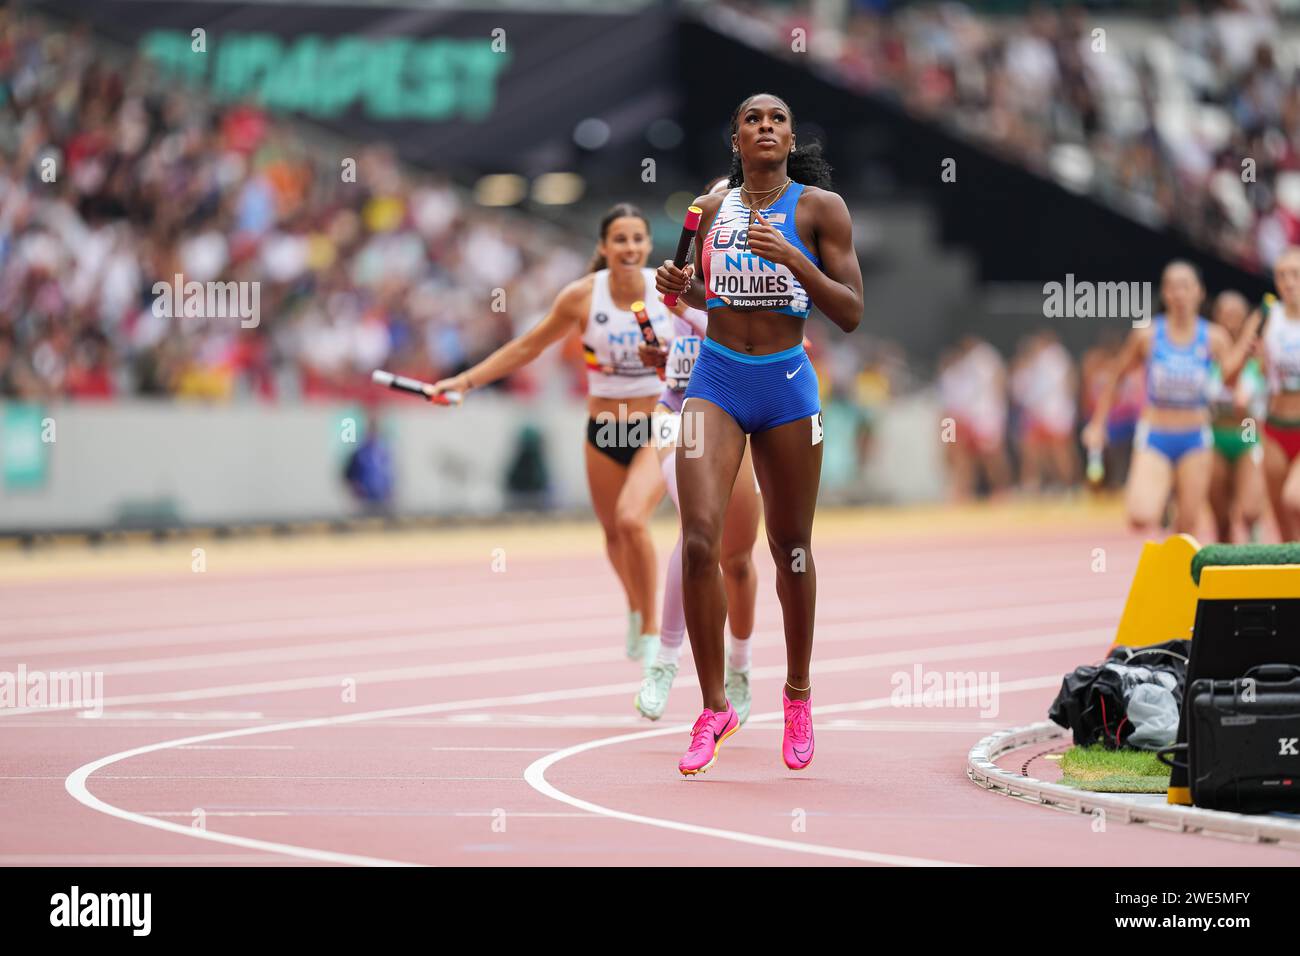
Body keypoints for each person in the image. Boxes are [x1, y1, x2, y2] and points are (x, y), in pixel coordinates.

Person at [655, 92, 864, 775]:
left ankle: (798, 694)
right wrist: (678, 284)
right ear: (736, 139)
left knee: (792, 547)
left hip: (786, 388)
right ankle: (715, 705)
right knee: (697, 538)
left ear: (790, 136)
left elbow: (852, 312)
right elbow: (705, 297)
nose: (766, 126)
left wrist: (797, 260)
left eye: (778, 118)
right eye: (753, 119)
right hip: (715, 381)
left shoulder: (818, 210)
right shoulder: (711, 210)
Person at [433, 204, 673, 662]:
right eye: (620, 239)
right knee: (612, 534)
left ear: (647, 245)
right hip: (605, 429)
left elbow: (706, 339)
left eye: (638, 238)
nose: (630, 247)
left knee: (630, 520)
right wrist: (464, 381)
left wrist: (668, 359)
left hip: (655, 425)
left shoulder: (668, 293)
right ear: (604, 247)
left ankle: (651, 628)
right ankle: (633, 606)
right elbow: (528, 346)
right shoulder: (582, 297)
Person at [633, 176, 762, 724]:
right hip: (677, 413)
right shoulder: (668, 279)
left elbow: (750, 336)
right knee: (694, 531)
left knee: (736, 557)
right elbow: (668, 352)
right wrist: (657, 356)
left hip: (740, 421)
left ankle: (740, 665)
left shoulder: (755, 275)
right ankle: (663, 662)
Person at [1083, 261, 1259, 536]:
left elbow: (1228, 379)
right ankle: (1163, 494)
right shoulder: (1148, 335)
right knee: (1140, 516)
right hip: (1156, 434)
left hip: (1195, 437)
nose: (1179, 294)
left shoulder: (1213, 337)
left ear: (1199, 293)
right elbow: (1116, 376)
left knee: (1187, 527)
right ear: (1164, 293)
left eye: (1186, 286)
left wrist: (1245, 350)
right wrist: (1097, 423)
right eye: (1172, 287)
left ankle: (1175, 513)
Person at [1206, 290, 1268, 541]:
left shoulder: (1259, 354)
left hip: (1247, 434)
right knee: (1221, 520)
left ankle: (1255, 546)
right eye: (1224, 313)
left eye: (1236, 314)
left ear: (1245, 319)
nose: (1230, 319)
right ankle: (1227, 569)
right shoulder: (1206, 352)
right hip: (1214, 437)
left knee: (1251, 510)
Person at [1256, 247, 1300, 540]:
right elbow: (1242, 366)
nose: (1288, 281)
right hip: (1274, 425)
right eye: (1281, 276)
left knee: (1294, 498)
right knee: (1283, 524)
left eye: (1295, 274)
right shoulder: (1266, 316)